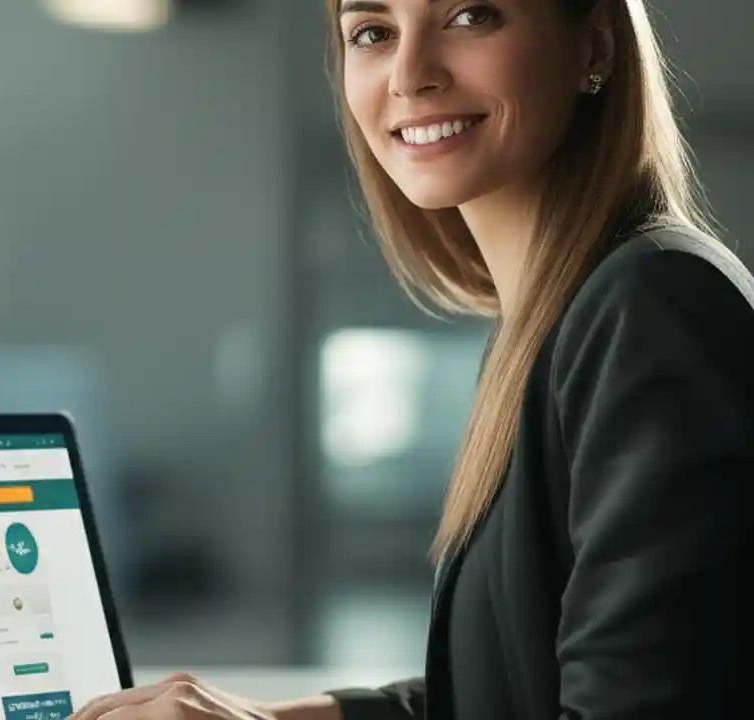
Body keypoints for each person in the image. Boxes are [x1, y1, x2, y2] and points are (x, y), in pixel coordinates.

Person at [71, 0, 753, 718]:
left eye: (470, 16)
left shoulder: (650, 307)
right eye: (373, 33)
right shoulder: (553, 322)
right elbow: (505, 691)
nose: (409, 75)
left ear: (595, 48)